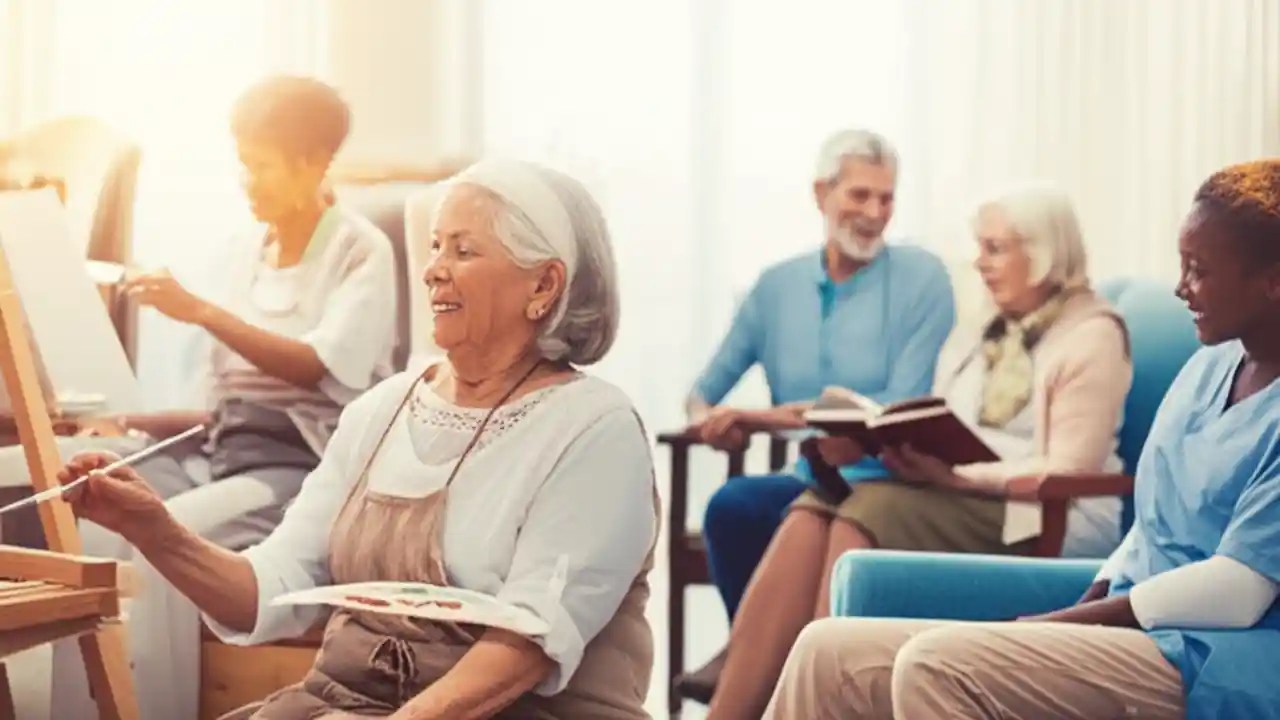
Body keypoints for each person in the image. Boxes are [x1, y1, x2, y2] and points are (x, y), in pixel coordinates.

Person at [59, 158, 659, 719]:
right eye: (433, 246)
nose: (432, 270)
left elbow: (527, 642)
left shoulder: (593, 429)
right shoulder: (384, 409)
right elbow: (269, 589)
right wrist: (153, 530)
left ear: (544, 286)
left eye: (464, 250)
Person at [764, 159, 1280, 720]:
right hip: (1134, 626)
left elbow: (1240, 590)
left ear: (1273, 279)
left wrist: (1061, 626)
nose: (1182, 288)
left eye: (1199, 270)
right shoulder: (1207, 368)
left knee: (937, 663)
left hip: (1214, 655)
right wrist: (1087, 602)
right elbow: (1153, 526)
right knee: (827, 651)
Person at [706, 184, 1134, 718]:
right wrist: (884, 442)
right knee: (812, 510)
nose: (980, 263)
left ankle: (819, 707)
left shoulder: (1093, 335)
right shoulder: (986, 331)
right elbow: (944, 417)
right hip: (964, 497)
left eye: (996, 249)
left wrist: (957, 476)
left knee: (869, 509)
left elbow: (1068, 468)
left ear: (1044, 252)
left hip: (1044, 514)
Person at [47, 75, 399, 719]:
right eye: (242, 165)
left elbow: (319, 366)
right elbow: (219, 406)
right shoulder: (243, 252)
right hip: (221, 448)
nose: (248, 181)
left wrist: (201, 311)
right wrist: (121, 420)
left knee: (164, 543)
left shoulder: (359, 251)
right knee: (90, 514)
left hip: (298, 464)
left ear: (313, 162)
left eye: (260, 166)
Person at [675, 129, 956, 701]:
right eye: (859, 196)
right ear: (821, 194)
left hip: (880, 474)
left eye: (886, 198)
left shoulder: (922, 278)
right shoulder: (775, 287)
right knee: (732, 508)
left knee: (812, 514)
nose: (874, 213)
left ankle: (757, 674)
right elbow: (704, 392)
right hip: (810, 475)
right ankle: (760, 662)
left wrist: (763, 419)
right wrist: (715, 424)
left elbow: (900, 401)